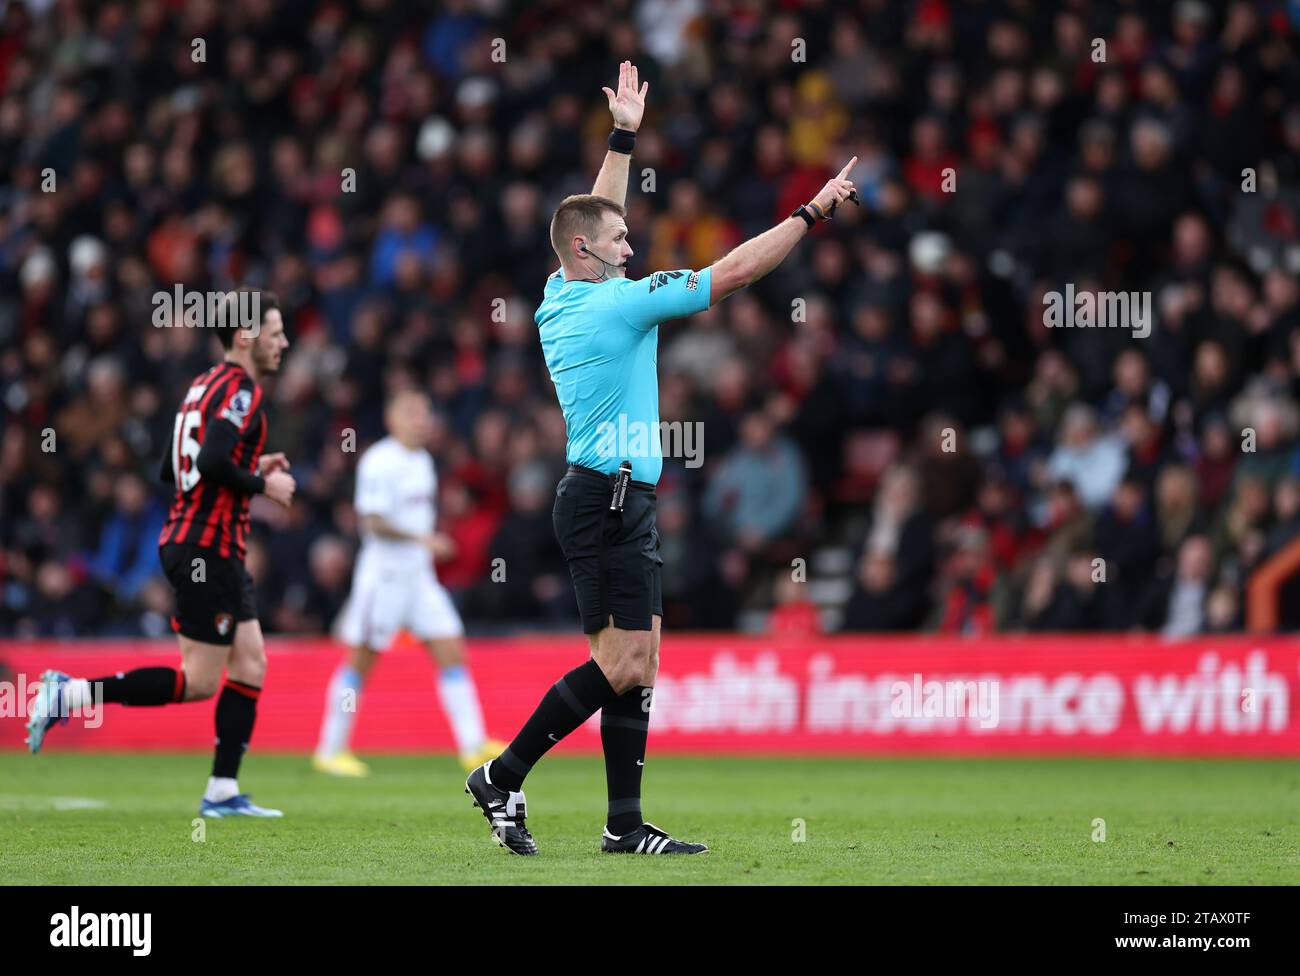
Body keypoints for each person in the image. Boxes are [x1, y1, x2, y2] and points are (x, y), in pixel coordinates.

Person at [464, 61, 858, 855]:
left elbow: (592, 212)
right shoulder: (622, 303)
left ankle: (623, 825)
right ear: (590, 252)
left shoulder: (558, 293)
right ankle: (501, 776)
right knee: (622, 663)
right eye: (621, 239)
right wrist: (813, 211)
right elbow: (738, 270)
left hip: (618, 496)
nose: (631, 240)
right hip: (603, 498)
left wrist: (623, 136)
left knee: (638, 666)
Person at [26, 290, 296, 818]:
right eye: (275, 330)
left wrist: (252, 465)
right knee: (198, 682)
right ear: (245, 336)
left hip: (203, 543)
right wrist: (263, 488)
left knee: (252, 662)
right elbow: (213, 460)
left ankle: (222, 790)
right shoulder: (241, 390)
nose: (284, 341)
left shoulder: (201, 386)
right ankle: (70, 695)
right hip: (207, 547)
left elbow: (173, 470)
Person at [315, 389, 504, 776]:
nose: (423, 420)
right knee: (361, 661)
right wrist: (424, 539)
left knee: (451, 650)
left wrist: (425, 543)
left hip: (419, 578)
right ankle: (330, 749)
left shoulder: (422, 460)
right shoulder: (379, 460)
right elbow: (372, 520)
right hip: (383, 578)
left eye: (425, 413)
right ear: (392, 419)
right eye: (413, 413)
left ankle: (472, 746)